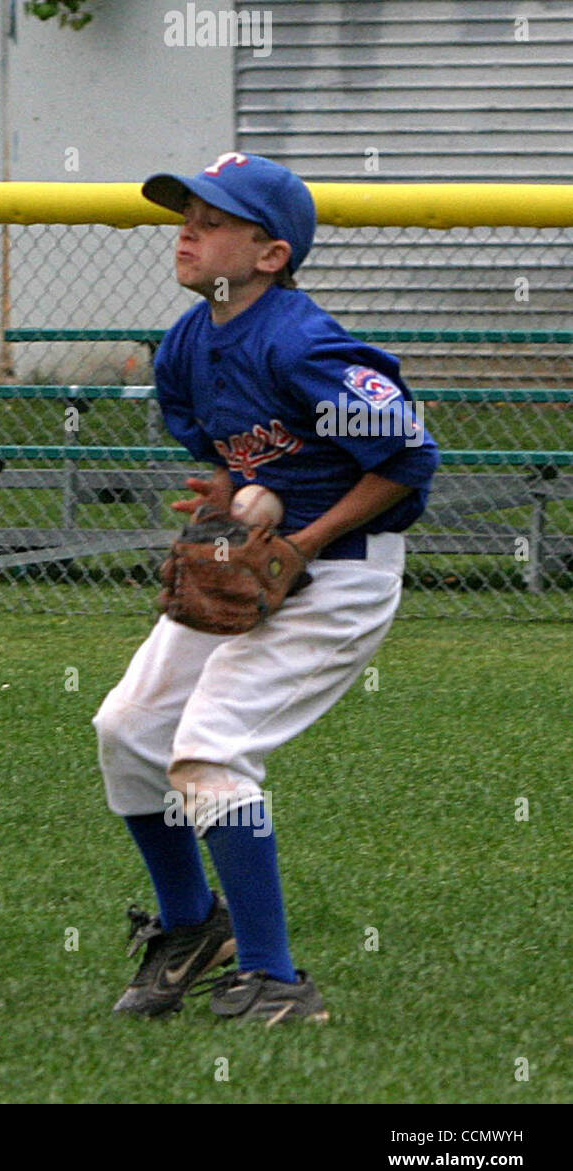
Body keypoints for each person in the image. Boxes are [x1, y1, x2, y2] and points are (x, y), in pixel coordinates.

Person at [94, 152, 439, 1021]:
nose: (188, 232)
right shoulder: (185, 342)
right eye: (185, 215)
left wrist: (302, 542)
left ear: (270, 254)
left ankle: (278, 981)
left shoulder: (305, 342)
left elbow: (407, 459)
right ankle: (188, 928)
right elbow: (237, 450)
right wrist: (230, 495)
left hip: (340, 578)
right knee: (128, 730)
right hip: (262, 556)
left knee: (209, 752)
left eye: (212, 222)